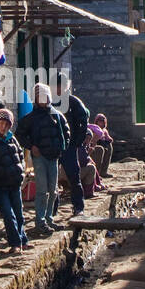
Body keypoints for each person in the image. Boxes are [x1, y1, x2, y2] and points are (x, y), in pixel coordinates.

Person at [16, 82, 69, 235]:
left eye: (45, 96)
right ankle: (40, 221)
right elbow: (20, 134)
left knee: (53, 190)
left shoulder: (57, 116)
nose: (43, 99)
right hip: (39, 158)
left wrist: (61, 149)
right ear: (35, 98)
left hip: (53, 157)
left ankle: (49, 218)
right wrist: (31, 146)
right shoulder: (30, 118)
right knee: (42, 190)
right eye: (40, 96)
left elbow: (66, 133)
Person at [0, 107, 28, 254]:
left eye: (7, 124)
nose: (4, 127)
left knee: (19, 213)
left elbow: (20, 156)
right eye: (1, 123)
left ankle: (23, 240)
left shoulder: (12, 138)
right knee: (8, 216)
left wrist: (21, 170)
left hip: (15, 183)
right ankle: (15, 243)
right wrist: (7, 172)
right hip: (1, 185)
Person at [59, 90, 90, 218]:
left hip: (69, 147)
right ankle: (52, 211)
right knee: (51, 182)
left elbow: (83, 122)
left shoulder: (73, 102)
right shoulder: (49, 102)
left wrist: (77, 141)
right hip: (53, 148)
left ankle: (78, 207)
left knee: (74, 177)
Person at [87, 113, 113, 181]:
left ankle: (103, 171)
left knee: (109, 147)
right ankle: (97, 174)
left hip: (104, 144)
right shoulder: (94, 128)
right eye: (100, 121)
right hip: (96, 144)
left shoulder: (104, 130)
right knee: (100, 150)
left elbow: (108, 137)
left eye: (102, 121)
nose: (101, 123)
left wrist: (109, 139)